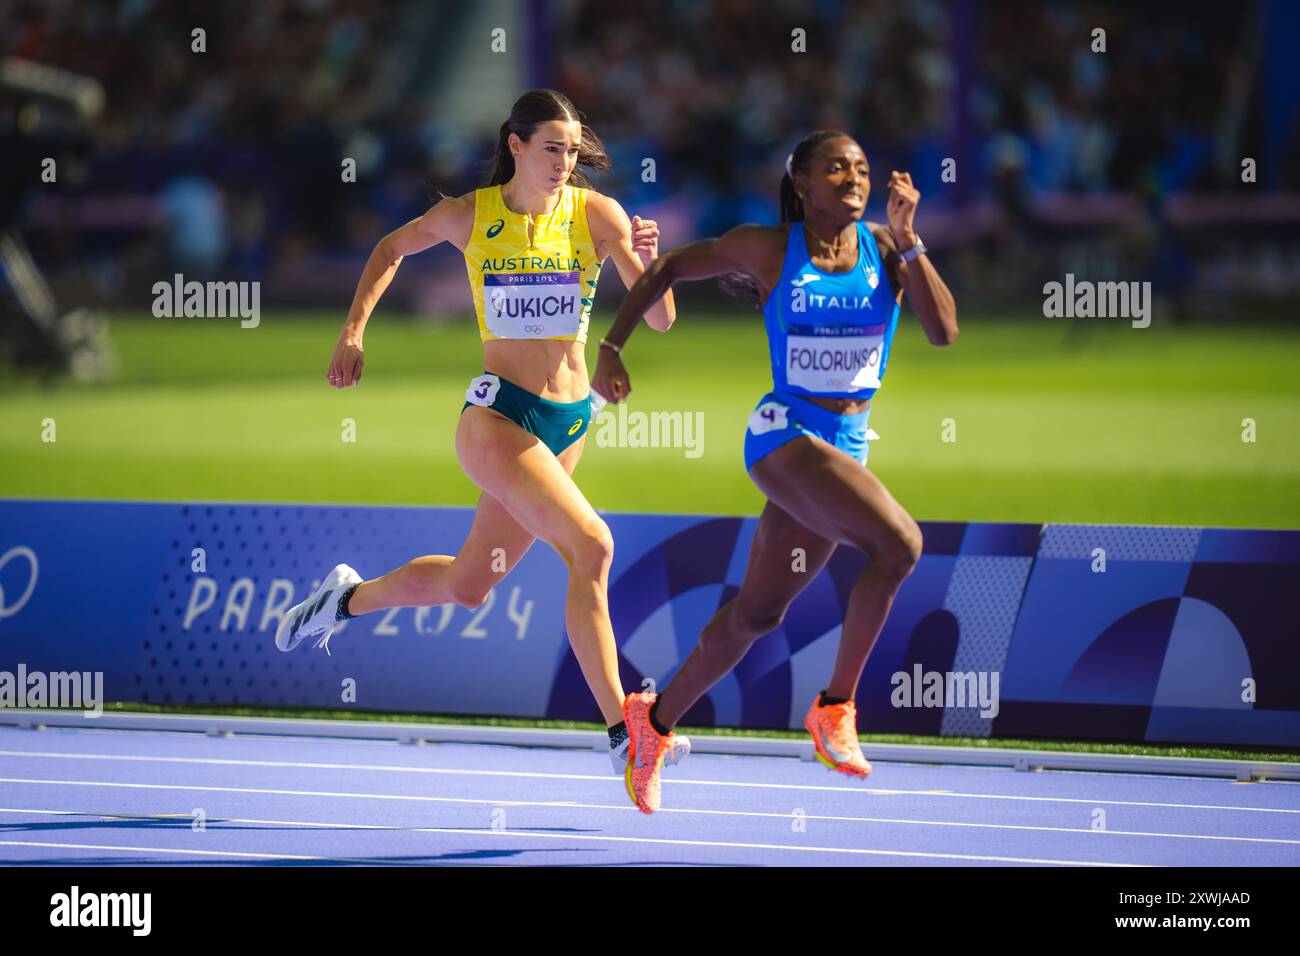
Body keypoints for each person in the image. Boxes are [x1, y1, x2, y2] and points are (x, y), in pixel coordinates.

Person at [274, 89, 690, 776]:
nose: (564, 161)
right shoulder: (471, 216)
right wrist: (353, 331)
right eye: (551, 147)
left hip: (569, 422)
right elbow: (389, 248)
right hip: (497, 418)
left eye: (573, 149)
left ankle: (344, 599)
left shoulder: (598, 215)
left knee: (470, 586)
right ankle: (627, 731)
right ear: (517, 145)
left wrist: (647, 258)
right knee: (592, 546)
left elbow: (663, 319)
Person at [592, 130, 958, 813]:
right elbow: (669, 267)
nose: (853, 178)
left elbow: (943, 332)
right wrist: (612, 346)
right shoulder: (768, 248)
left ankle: (654, 722)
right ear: (802, 185)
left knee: (757, 614)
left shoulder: (884, 248)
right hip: (783, 435)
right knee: (899, 546)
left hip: (845, 447)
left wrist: (911, 240)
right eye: (835, 168)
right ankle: (836, 707)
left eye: (861, 167)